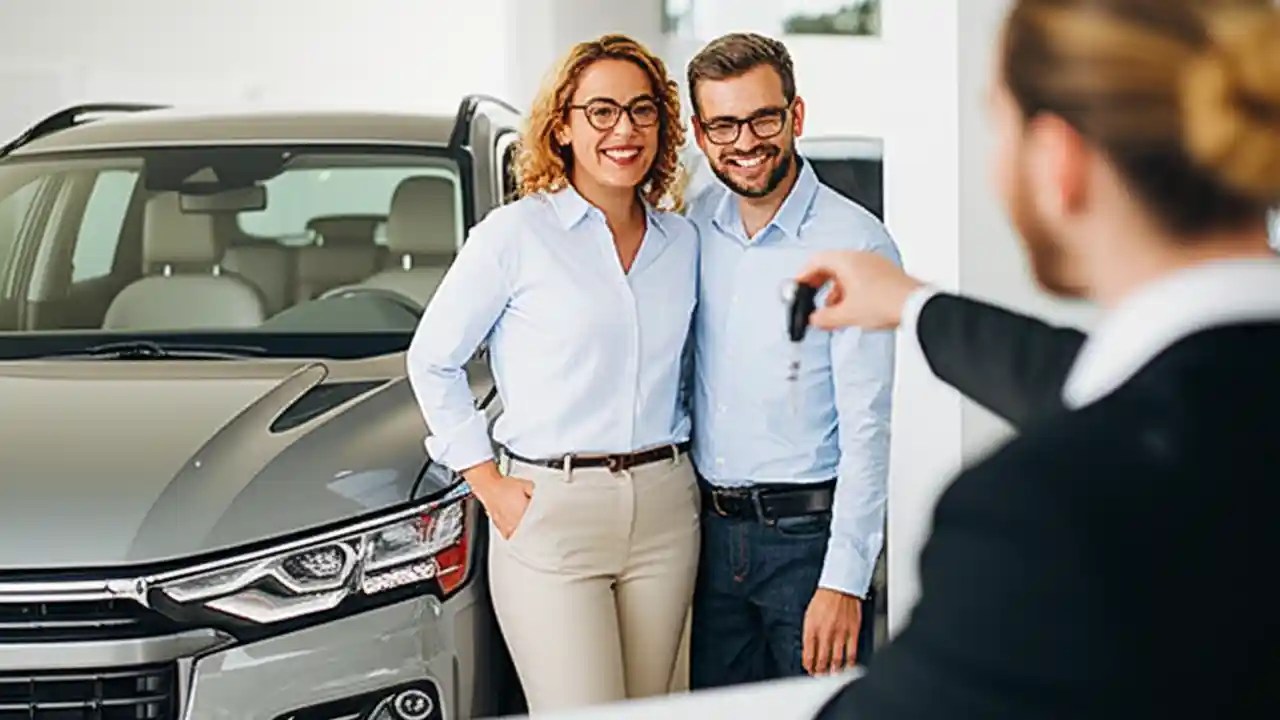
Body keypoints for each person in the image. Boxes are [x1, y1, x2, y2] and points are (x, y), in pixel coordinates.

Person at [797, 1, 1280, 717]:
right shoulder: (1214, 410)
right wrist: (913, 303)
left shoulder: (1040, 518)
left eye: (1000, 126)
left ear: (1059, 162)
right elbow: (1088, 377)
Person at [405, 34, 700, 714]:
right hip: (551, 509)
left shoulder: (682, 242)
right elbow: (432, 359)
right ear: (562, 125)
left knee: (656, 711)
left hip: (664, 509)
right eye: (600, 111)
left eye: (642, 109)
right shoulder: (514, 237)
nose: (623, 130)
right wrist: (490, 485)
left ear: (662, 122)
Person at [681, 32, 900, 688]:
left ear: (795, 116)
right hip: (704, 542)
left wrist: (844, 582)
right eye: (724, 124)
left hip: (808, 544)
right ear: (699, 131)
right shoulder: (690, 229)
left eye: (763, 118)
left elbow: (869, 426)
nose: (745, 141)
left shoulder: (856, 244)